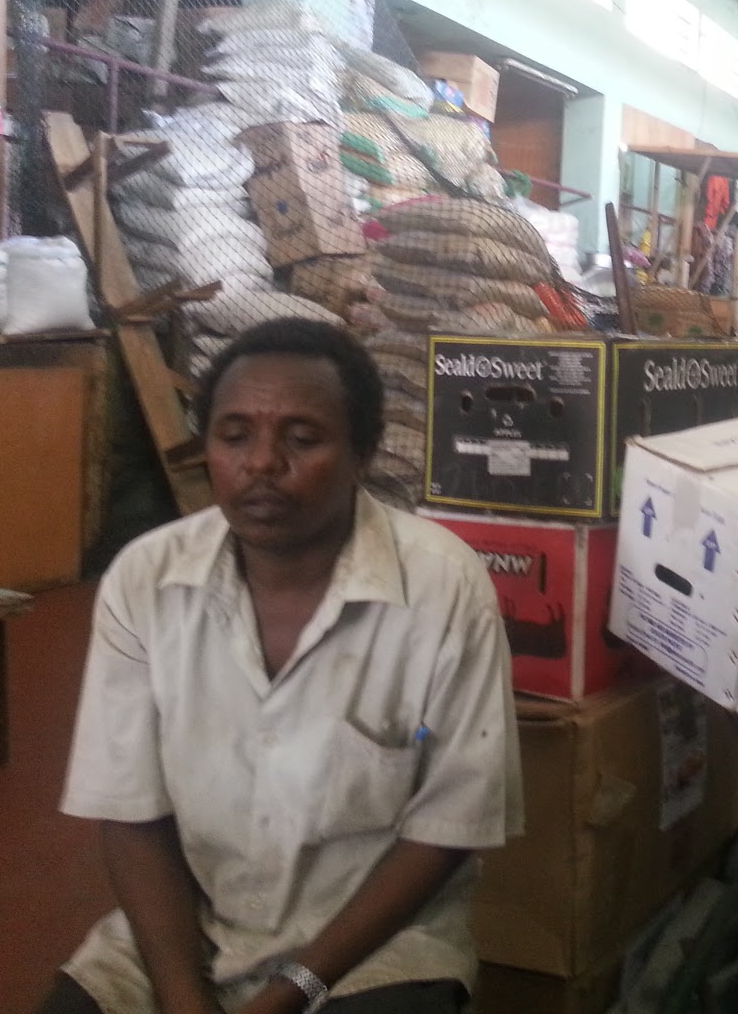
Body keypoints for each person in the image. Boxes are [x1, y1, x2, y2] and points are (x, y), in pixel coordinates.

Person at [40, 319, 523, 1014]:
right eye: (234, 436)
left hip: (368, 951)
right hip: (189, 933)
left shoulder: (444, 588)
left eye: (302, 439)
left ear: (362, 452)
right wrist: (181, 995)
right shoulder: (146, 581)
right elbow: (130, 813)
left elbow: (447, 829)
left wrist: (294, 989)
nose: (262, 463)